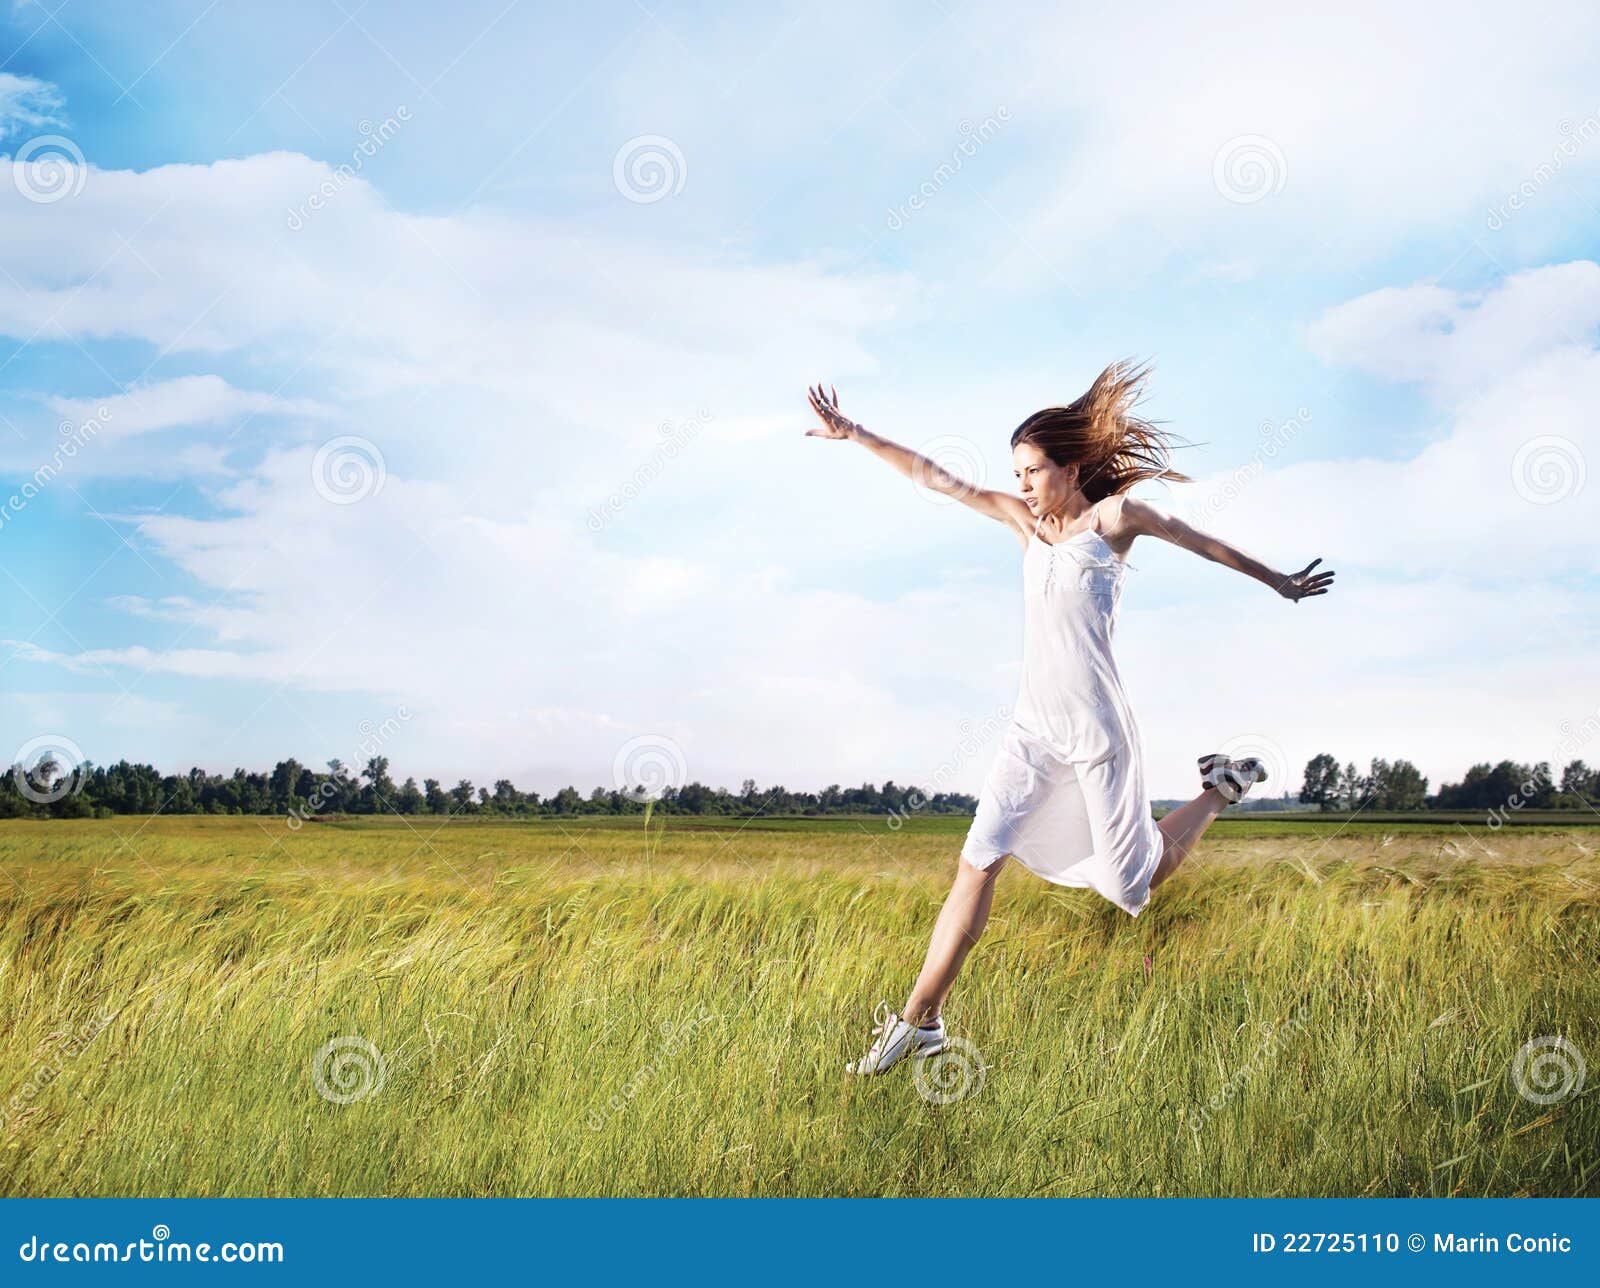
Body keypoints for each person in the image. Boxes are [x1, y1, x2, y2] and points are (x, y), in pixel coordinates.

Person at [803, 362, 1335, 1077]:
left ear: (1071, 466)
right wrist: (855, 432)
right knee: (977, 864)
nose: (1020, 485)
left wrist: (1277, 580)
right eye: (1016, 472)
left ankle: (1222, 787)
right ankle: (918, 1021)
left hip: (1096, 736)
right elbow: (934, 477)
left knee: (1134, 885)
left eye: (1031, 471)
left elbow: (1195, 540)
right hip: (1032, 732)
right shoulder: (1022, 523)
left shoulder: (1112, 522)